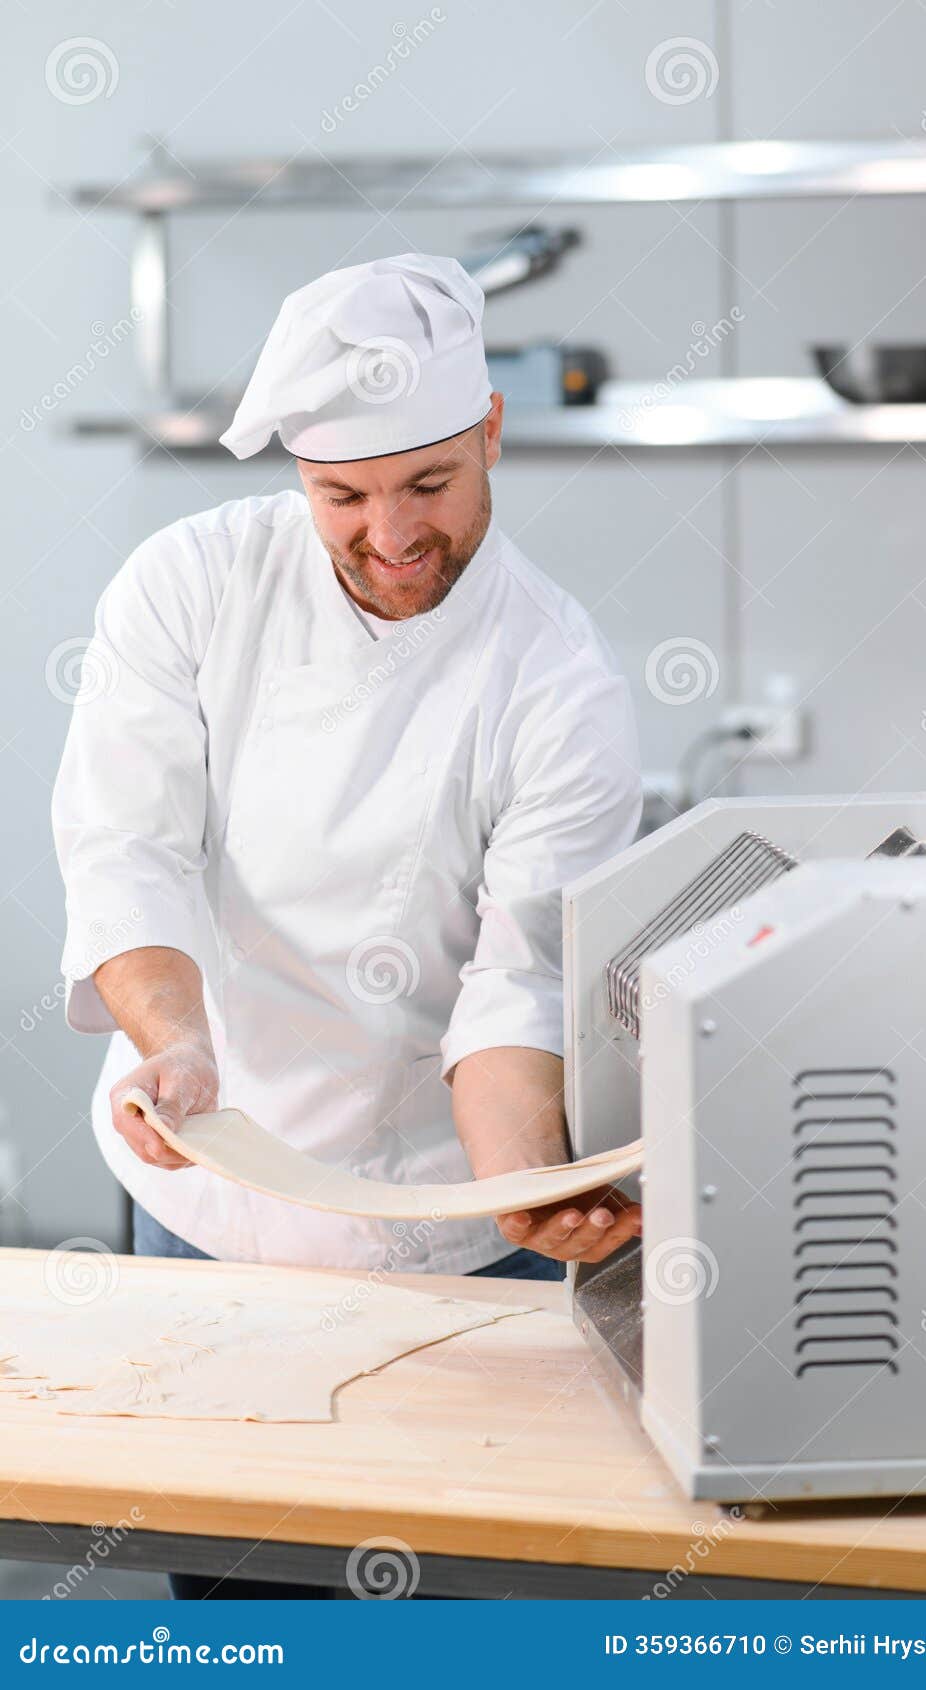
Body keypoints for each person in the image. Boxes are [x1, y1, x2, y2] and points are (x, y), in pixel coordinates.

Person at [51, 253, 644, 1598]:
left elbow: (520, 979)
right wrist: (176, 1047)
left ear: (489, 431)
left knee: (450, 1582)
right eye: (344, 496)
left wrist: (528, 1187)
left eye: (428, 485)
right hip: (214, 1167)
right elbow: (126, 848)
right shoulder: (189, 585)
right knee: (240, 1582)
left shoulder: (556, 678)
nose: (389, 534)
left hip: (447, 1217)